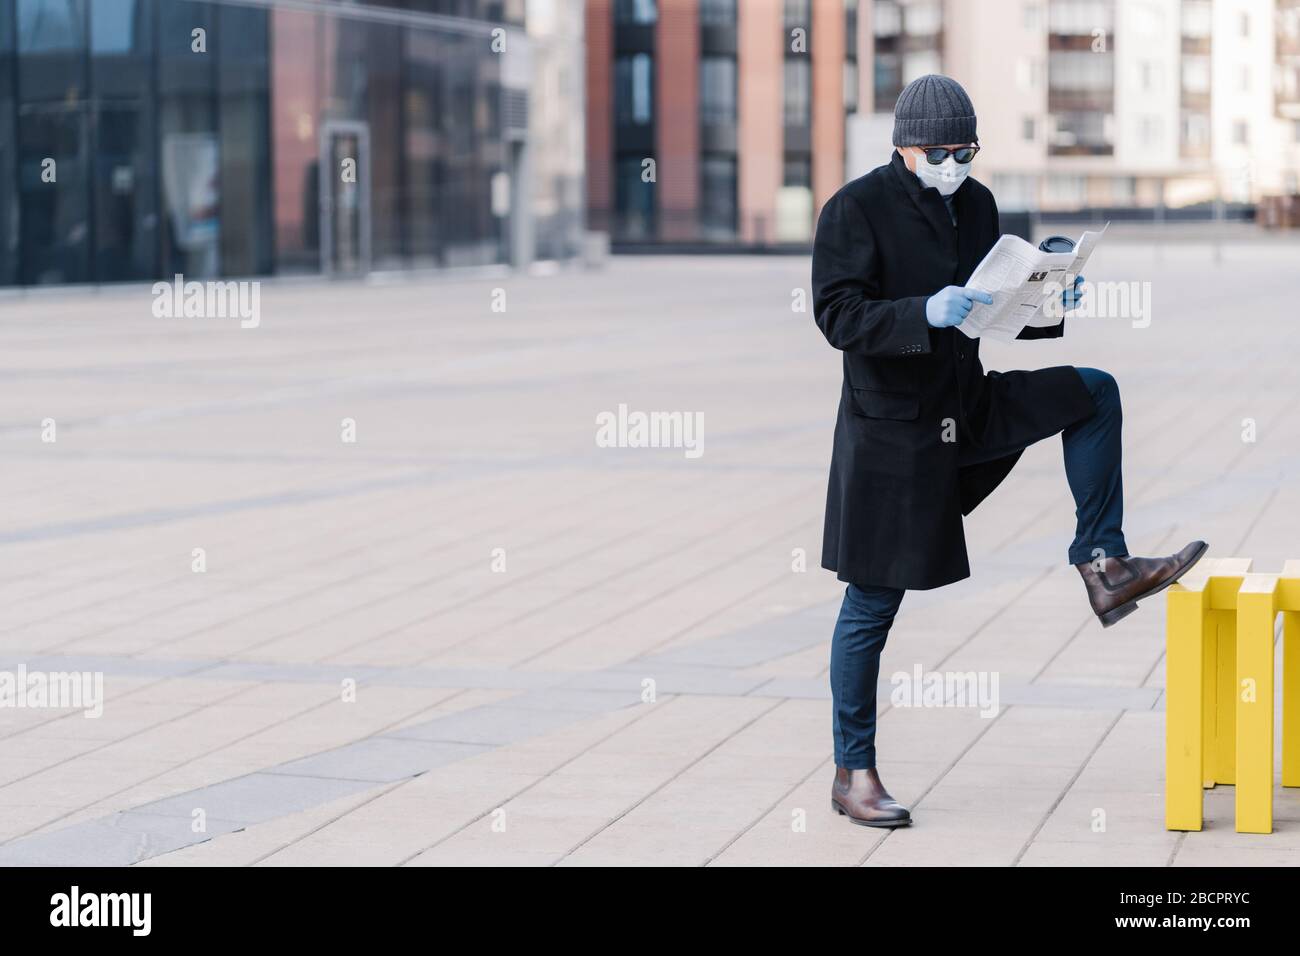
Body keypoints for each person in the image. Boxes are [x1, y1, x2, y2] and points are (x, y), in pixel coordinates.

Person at [811, 74, 1206, 829]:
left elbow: (989, 313)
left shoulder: (979, 205)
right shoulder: (854, 209)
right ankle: (851, 772)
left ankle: (1104, 563)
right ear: (905, 145)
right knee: (870, 603)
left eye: (967, 149)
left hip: (967, 406)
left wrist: (1046, 303)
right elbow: (837, 314)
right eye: (942, 150)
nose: (955, 162)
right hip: (892, 434)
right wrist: (919, 311)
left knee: (1092, 391)